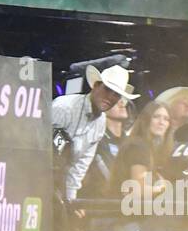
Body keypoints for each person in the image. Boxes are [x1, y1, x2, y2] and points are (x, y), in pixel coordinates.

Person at [51, 63, 139, 203]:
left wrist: (70, 199)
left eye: (116, 94)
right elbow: (40, 143)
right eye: (107, 89)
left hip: (58, 185)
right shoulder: (64, 107)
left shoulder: (100, 122)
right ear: (96, 86)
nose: (110, 97)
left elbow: (81, 164)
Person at [112, 100, 174, 199]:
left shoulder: (146, 147)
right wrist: (162, 187)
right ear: (146, 119)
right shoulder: (138, 147)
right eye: (156, 117)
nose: (161, 122)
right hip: (120, 210)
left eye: (166, 119)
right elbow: (138, 190)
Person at [79, 98, 130, 202]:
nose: (122, 103)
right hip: (102, 205)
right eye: (116, 100)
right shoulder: (95, 138)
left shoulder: (131, 140)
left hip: (128, 205)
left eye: (123, 100)